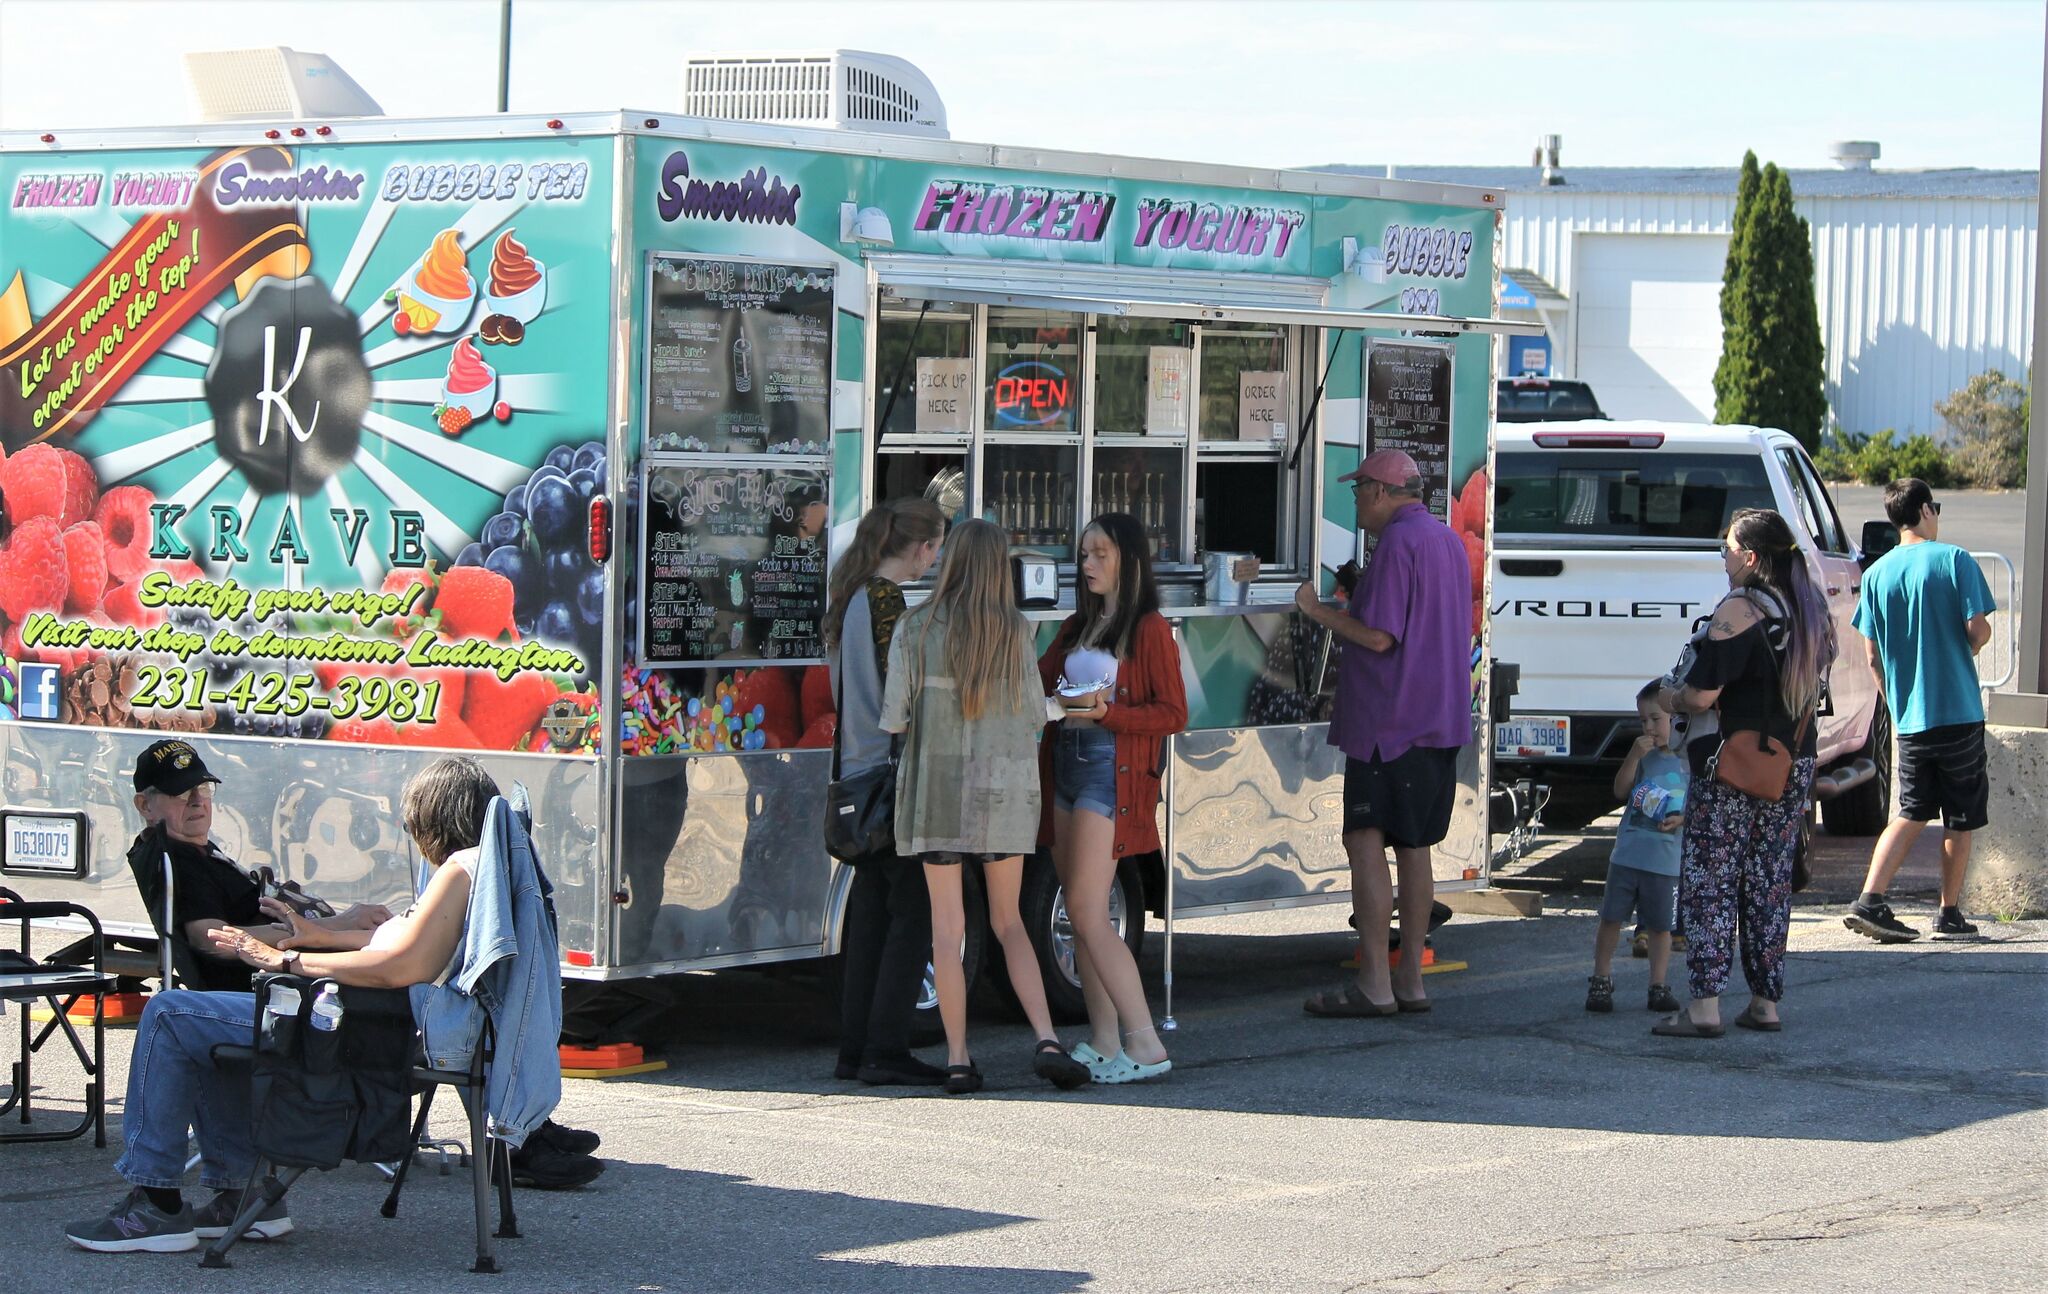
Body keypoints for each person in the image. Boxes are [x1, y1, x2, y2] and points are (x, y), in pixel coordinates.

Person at [64, 756, 594, 1255]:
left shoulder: (458, 871)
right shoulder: (489, 864)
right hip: (405, 1022)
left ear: (432, 815)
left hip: (370, 1024)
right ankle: (240, 1197)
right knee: (206, 1024)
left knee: (170, 1014)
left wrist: (285, 962)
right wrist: (315, 935)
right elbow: (398, 949)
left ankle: (154, 1203)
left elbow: (400, 968)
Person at [879, 519, 1090, 1094]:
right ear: (1000, 568)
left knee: (948, 932)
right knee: (1009, 923)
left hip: (936, 791)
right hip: (1003, 791)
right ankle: (1047, 1039)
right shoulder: (1014, 630)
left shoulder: (915, 628)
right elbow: (1030, 715)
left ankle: (957, 1058)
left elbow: (894, 718)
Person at [1294, 449, 1473, 1017]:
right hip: (1438, 718)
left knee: (1365, 841)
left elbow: (1379, 639)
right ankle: (1411, 981)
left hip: (1388, 724)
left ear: (1378, 490)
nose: (1354, 502)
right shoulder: (1444, 539)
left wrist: (1316, 610)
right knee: (1415, 849)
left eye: (1356, 491)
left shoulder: (1397, 543)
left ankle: (1374, 982)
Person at [1653, 509, 1834, 1038]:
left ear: (1751, 558)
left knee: (1712, 880)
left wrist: (1669, 696)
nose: (1724, 556)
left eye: (1728, 547)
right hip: (1790, 765)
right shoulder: (1810, 609)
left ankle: (1704, 1006)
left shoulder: (1738, 610)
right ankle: (1764, 1001)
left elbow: (1703, 694)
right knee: (1768, 880)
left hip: (1730, 766)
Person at [1037, 512, 1186, 1083]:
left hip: (1110, 770)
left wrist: (1107, 713)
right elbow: (1041, 683)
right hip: (1067, 766)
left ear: (1130, 559)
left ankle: (1144, 1043)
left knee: (1087, 910)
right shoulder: (1078, 625)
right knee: (1082, 913)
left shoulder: (1148, 628)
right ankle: (1103, 1039)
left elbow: (1173, 713)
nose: (1089, 563)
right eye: (1084, 554)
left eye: (1101, 553)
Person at [823, 497, 947, 1085]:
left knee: (871, 911)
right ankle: (886, 1047)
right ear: (922, 548)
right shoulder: (885, 601)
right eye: (935, 549)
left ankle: (856, 1047)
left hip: (854, 768)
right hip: (889, 774)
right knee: (913, 911)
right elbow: (903, 692)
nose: (935, 560)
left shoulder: (851, 593)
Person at [1845, 478, 1997, 943]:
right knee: (1961, 814)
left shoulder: (1875, 575)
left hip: (1910, 717)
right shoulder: (1954, 559)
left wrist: (1895, 700)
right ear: (1927, 511)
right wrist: (1969, 645)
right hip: (1958, 710)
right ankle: (1949, 912)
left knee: (1910, 809)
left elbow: (1871, 655)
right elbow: (1979, 628)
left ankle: (1870, 898)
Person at [125, 739, 388, 993]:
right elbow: (212, 939)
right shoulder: (179, 860)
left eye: (203, 789)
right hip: (275, 991)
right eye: (180, 792)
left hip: (302, 968)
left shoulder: (198, 850)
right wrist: (339, 925)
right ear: (145, 805)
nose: (197, 800)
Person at [1587, 682, 1688, 1015]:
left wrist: (1681, 818)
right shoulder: (1644, 756)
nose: (1648, 727)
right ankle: (1601, 978)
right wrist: (1632, 756)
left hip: (1664, 862)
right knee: (1611, 918)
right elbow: (1620, 790)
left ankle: (1658, 984)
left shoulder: (1687, 762)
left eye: (1655, 720)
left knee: (1661, 927)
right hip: (1628, 855)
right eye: (1642, 720)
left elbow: (1699, 807)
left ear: (1677, 719)